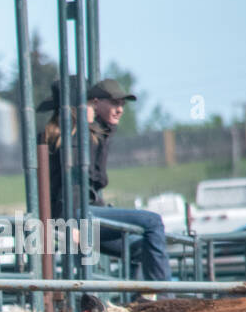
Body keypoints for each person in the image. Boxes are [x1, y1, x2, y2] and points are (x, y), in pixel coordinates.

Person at [40, 77, 170, 282]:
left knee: (139, 248)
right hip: (76, 214)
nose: (120, 109)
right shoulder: (76, 138)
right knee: (152, 221)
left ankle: (145, 302)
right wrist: (70, 223)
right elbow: (70, 185)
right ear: (79, 106)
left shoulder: (69, 135)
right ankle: (164, 296)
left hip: (74, 213)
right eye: (90, 102)